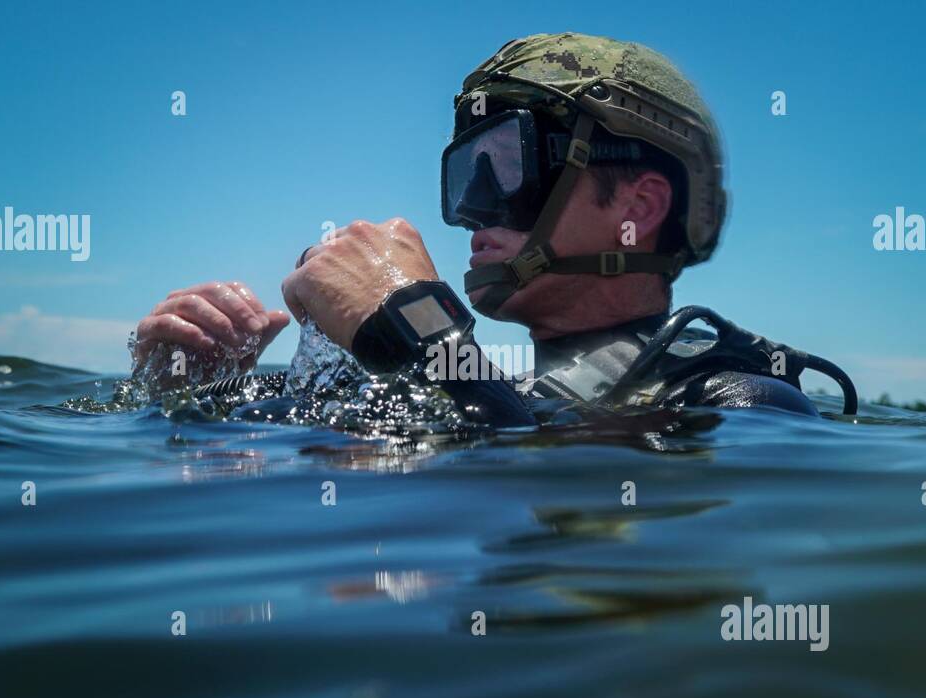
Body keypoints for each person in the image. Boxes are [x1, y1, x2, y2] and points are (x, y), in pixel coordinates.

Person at [130, 33, 855, 426]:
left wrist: (411, 323)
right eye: (467, 172)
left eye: (507, 166)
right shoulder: (499, 388)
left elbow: (511, 449)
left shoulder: (739, 402)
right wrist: (197, 395)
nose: (475, 208)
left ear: (638, 208)